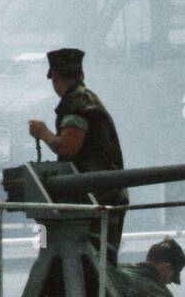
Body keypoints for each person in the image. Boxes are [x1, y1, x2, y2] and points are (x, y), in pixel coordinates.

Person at [28, 48, 127, 259]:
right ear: (82, 74)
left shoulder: (77, 103)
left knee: (93, 264)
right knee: (99, 264)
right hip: (102, 194)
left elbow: (67, 148)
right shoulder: (86, 99)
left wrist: (43, 132)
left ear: (53, 74)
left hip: (95, 197)